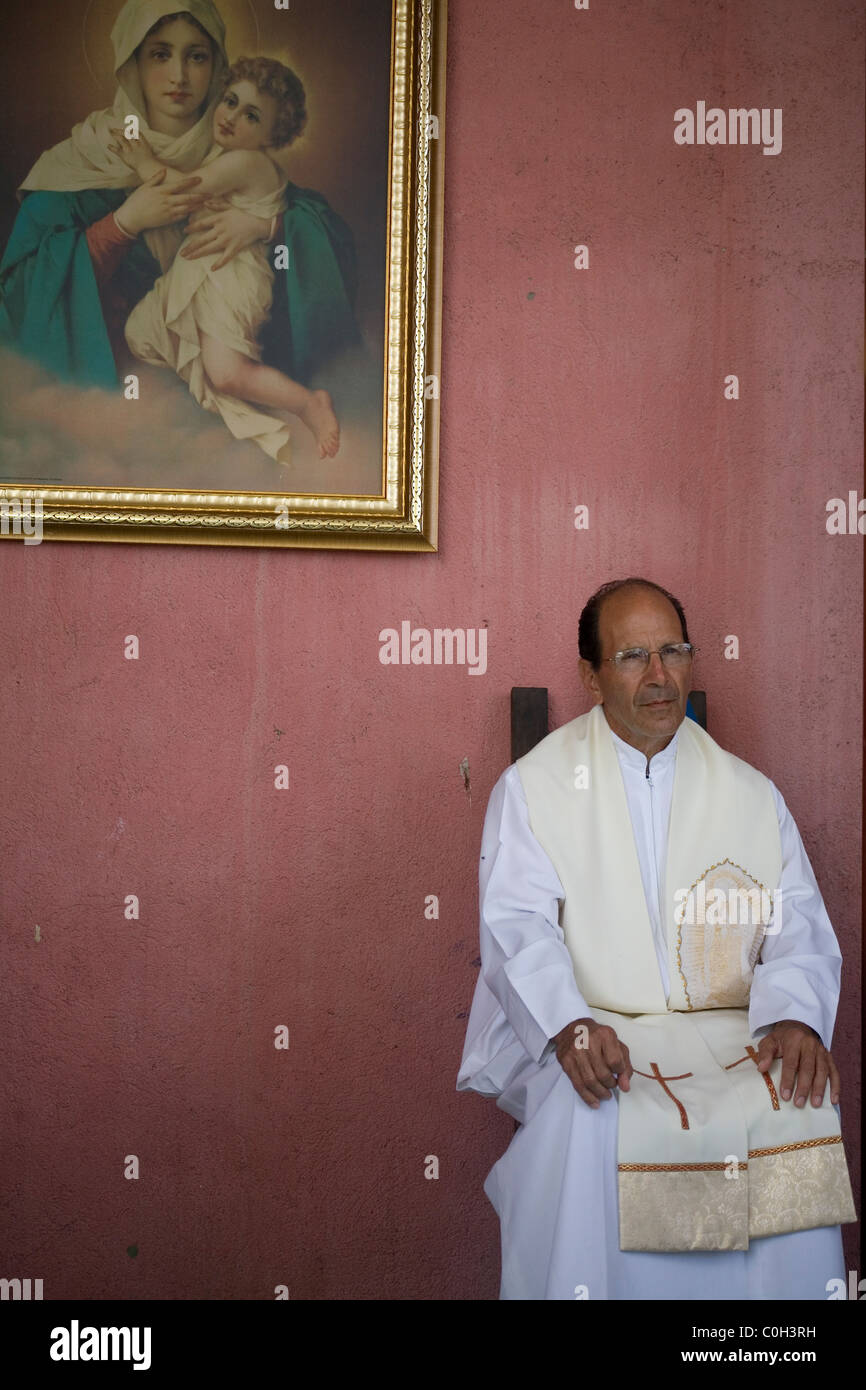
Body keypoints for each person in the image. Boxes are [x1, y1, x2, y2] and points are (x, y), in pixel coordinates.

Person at [457, 577, 856, 1300]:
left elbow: (796, 921)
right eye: (633, 655)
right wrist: (568, 1025)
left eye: (672, 651)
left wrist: (796, 1014)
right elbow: (517, 925)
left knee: (799, 1097)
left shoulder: (748, 793)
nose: (659, 675)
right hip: (593, 1032)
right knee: (593, 1113)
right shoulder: (536, 788)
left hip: (731, 1029)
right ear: (591, 674)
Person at [0, 1, 359, 397]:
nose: (179, 76)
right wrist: (122, 225)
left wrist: (266, 227)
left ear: (217, 66)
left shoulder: (241, 151)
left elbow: (329, 238)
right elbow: (19, 297)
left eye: (197, 57)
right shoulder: (85, 159)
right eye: (160, 54)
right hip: (108, 402)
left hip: (220, 403)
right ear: (131, 62)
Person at [115, 58, 340, 462]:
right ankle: (207, 410)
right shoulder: (230, 154)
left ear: (273, 134)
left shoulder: (246, 161)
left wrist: (142, 161)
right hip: (203, 271)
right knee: (142, 332)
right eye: (230, 101)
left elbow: (184, 192)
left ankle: (308, 403)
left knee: (227, 373)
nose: (233, 117)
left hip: (230, 279)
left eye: (251, 116)